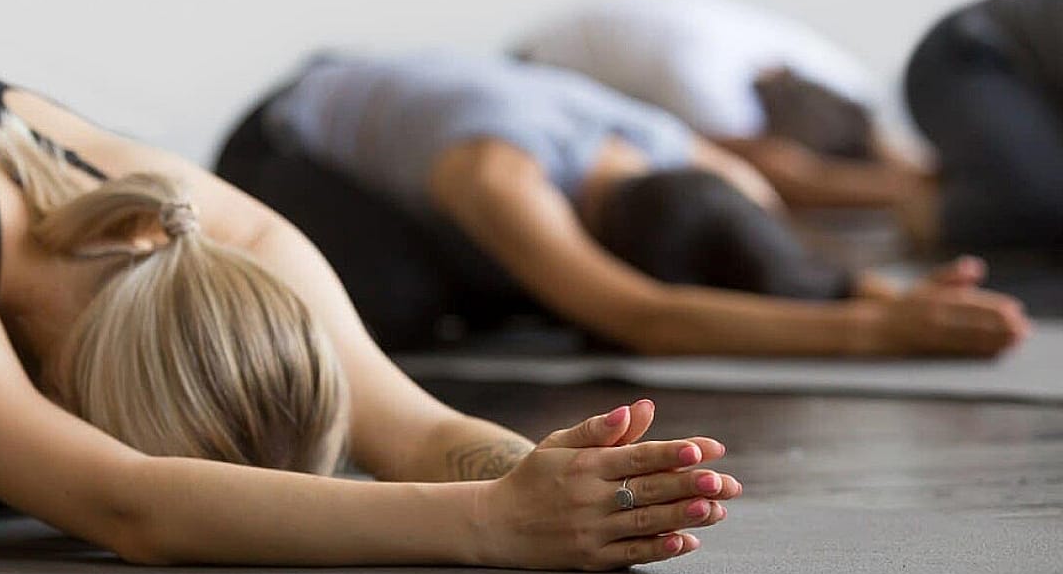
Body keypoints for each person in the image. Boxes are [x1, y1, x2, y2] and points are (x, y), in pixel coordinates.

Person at [0, 47, 744, 572]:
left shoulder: (227, 231)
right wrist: (491, 522)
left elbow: (419, 432)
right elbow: (127, 502)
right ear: (69, 388)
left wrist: (551, 479)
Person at [216, 51, 1029, 357]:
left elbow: (761, 239)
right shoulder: (500, 176)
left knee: (521, 280)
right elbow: (647, 315)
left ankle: (538, 279)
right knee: (398, 302)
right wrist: (874, 334)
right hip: (289, 134)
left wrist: (876, 289)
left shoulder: (682, 151)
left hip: (430, 126)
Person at [512, 0, 932, 212]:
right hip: (535, 75)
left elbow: (884, 150)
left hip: (627, 54)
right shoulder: (706, 89)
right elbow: (776, 175)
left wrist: (929, 179)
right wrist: (912, 197)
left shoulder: (844, 83)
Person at [903, 0, 1063, 252]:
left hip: (1034, 94)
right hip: (965, 57)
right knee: (1046, 202)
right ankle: (930, 210)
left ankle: (974, 177)